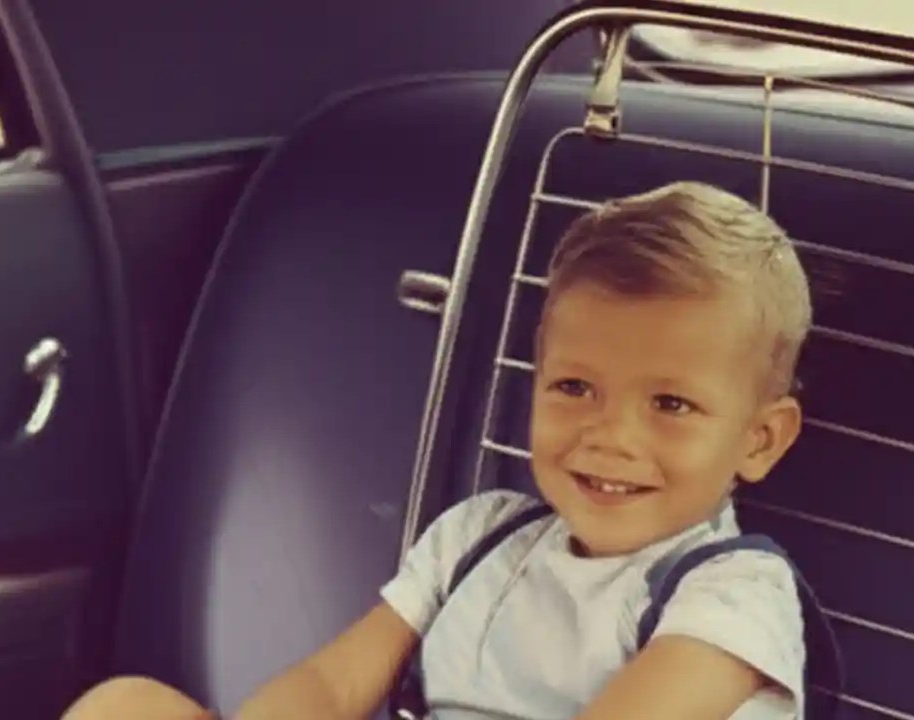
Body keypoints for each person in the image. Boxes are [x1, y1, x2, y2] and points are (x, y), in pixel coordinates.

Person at [63, 180, 815, 720]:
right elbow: (331, 686)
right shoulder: (478, 536)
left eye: (671, 404)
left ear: (759, 440)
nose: (611, 435)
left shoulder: (734, 595)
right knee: (123, 707)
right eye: (575, 387)